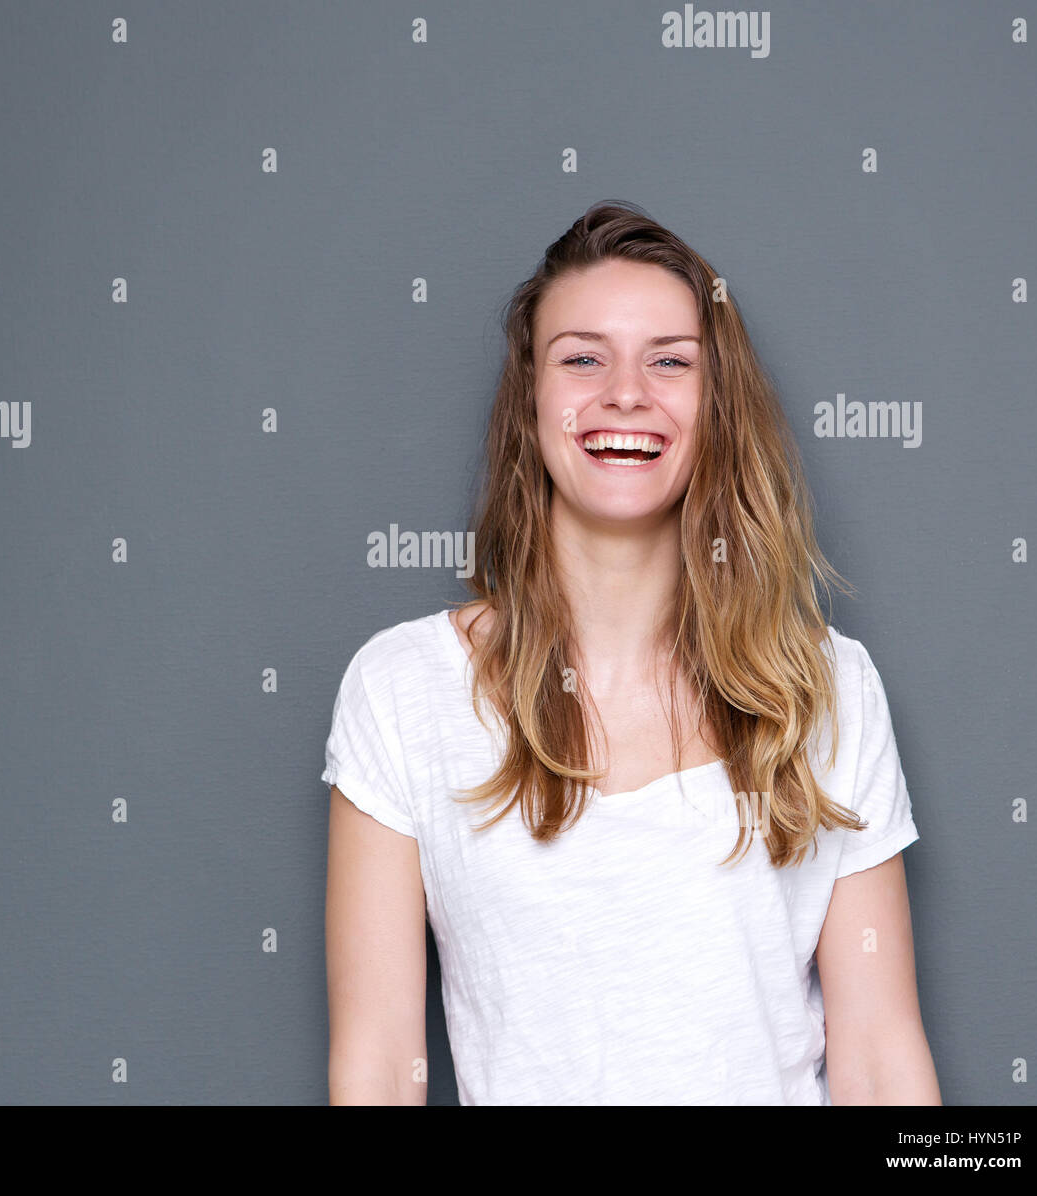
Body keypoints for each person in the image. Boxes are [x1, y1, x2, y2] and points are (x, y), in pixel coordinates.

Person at [323, 200, 941, 1106]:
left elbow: (882, 1060)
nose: (626, 393)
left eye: (670, 362)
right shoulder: (401, 690)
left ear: (716, 405)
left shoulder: (830, 688)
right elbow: (377, 1069)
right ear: (529, 398)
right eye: (582, 357)